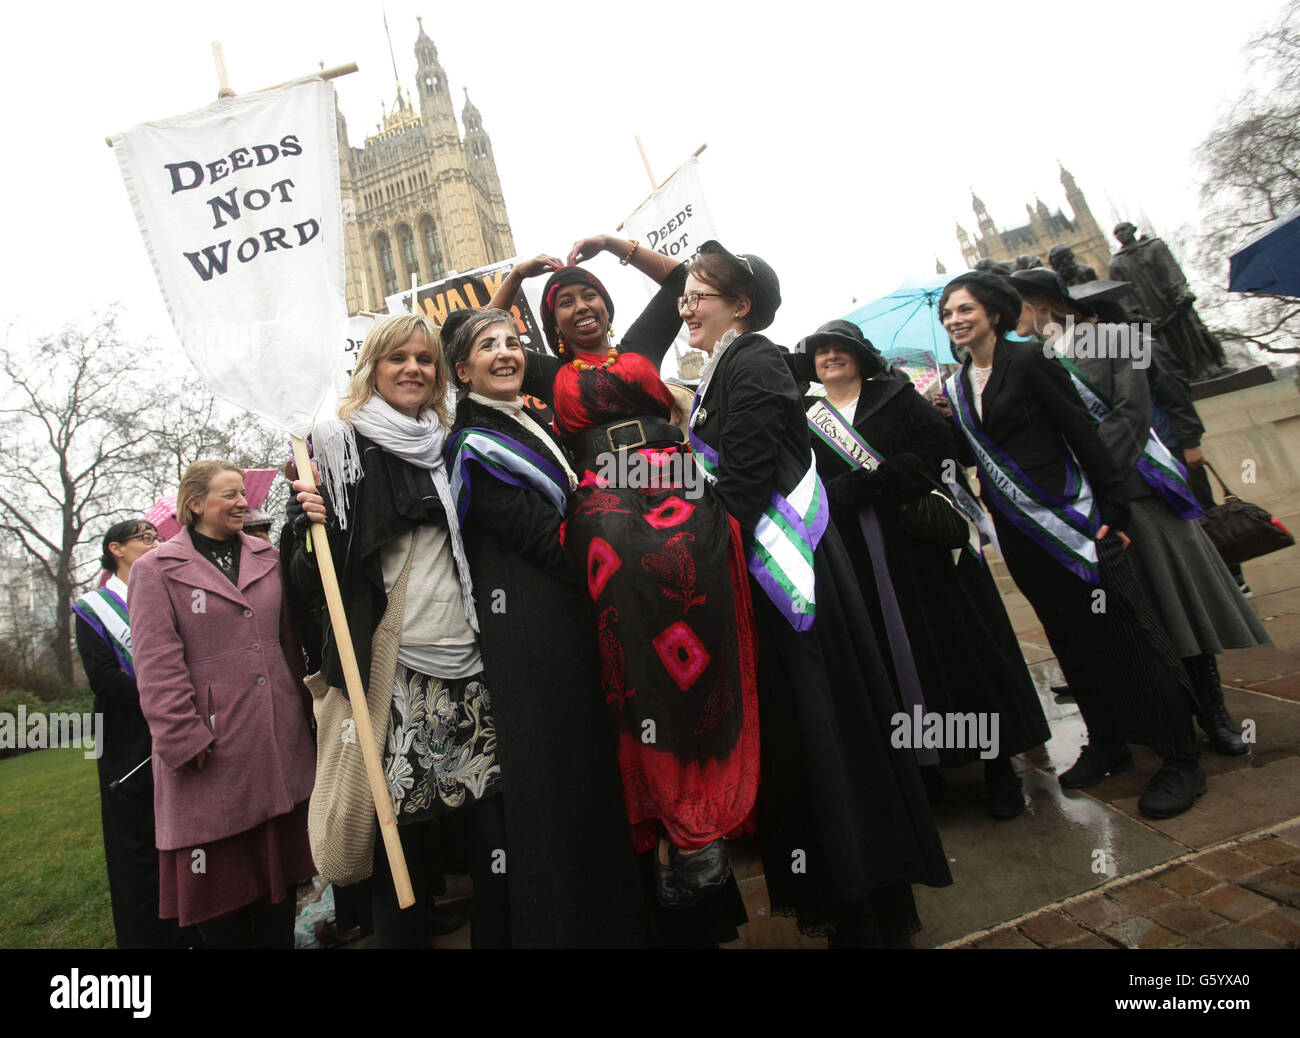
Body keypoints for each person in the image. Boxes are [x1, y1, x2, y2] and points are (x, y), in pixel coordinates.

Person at [673, 240, 951, 945]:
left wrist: (697, 563)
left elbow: (745, 479)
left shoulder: (756, 358)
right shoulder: (721, 369)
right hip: (769, 577)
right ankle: (842, 893)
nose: (685, 304)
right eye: (685, 292)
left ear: (741, 305)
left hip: (792, 576)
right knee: (806, 735)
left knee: (832, 731)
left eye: (699, 292)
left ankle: (869, 901)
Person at [488, 237, 756, 928]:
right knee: (639, 653)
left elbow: (682, 284)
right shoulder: (544, 371)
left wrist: (616, 247)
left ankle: (716, 804)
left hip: (678, 487)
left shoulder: (641, 343)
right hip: (608, 504)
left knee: (709, 629)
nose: (580, 307)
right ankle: (666, 815)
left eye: (588, 295)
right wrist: (515, 276)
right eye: (565, 302)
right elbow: (481, 338)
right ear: (549, 328)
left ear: (607, 306)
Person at [938, 272, 1207, 819]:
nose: (955, 320)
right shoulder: (959, 385)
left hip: (1077, 519)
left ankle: (1182, 758)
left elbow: (1080, 430)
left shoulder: (1031, 360)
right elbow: (970, 455)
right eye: (947, 314)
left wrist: (1114, 506)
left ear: (993, 311)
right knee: (1070, 638)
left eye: (964, 309)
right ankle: (1107, 742)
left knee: (1130, 634)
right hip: (1021, 530)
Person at [286, 313, 510, 949]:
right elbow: (306, 579)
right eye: (397, 359)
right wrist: (311, 529)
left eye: (425, 359)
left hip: (470, 664)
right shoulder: (334, 449)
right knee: (398, 846)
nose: (414, 369)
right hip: (392, 675)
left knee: (490, 832)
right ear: (373, 370)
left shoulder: (456, 442)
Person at [443, 307, 648, 946]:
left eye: (513, 342)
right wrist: (629, 563)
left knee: (591, 780)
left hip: (566, 620)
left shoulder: (528, 420)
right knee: (561, 791)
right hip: (533, 634)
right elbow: (544, 540)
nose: (505, 353)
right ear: (462, 370)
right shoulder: (474, 443)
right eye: (487, 347)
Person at [790, 320, 1051, 819]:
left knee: (960, 651)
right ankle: (922, 767)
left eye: (840, 349)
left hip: (923, 548)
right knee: (891, 660)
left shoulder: (897, 397)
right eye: (821, 352)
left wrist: (884, 478)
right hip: (856, 555)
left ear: (861, 356)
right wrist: (848, 492)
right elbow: (806, 483)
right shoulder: (806, 416)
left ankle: (998, 766)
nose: (830, 356)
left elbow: (940, 450)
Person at [1009, 267, 1267, 757]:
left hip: (1137, 489)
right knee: (1138, 615)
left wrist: (1093, 473)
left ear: (1041, 301)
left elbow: (1133, 410)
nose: (1006, 317)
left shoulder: (1116, 339)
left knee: (1179, 603)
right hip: (1081, 501)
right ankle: (1169, 713)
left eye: (1014, 305)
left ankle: (1214, 712)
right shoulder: (1028, 360)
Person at [129, 461, 316, 947]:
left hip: (276, 738)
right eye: (228, 496)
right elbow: (155, 663)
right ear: (195, 504)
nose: (241, 503)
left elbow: (288, 641)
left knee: (281, 892)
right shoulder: (155, 570)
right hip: (211, 748)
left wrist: (304, 708)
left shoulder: (266, 555)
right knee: (224, 896)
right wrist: (182, 735)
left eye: (242, 495)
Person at [72, 520, 196, 948]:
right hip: (127, 739)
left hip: (175, 727)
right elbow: (104, 677)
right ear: (116, 550)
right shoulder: (93, 608)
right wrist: (161, 696)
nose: (156, 543)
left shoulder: (168, 591)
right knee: (136, 844)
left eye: (157, 537)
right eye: (145, 538)